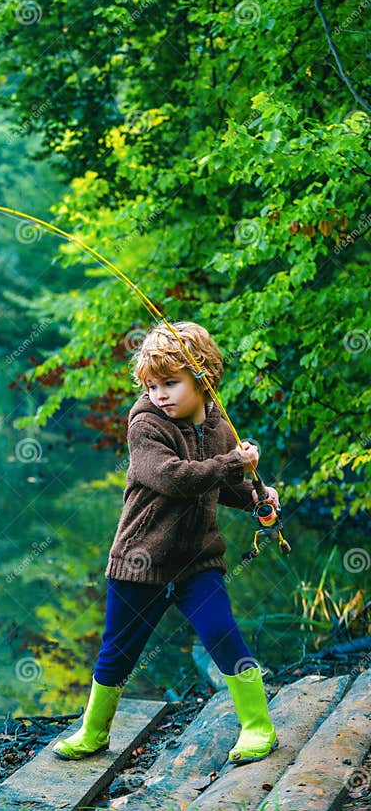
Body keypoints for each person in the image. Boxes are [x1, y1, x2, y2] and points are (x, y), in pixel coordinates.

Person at [53, 320, 279, 765]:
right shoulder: (145, 425)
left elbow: (219, 485)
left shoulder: (218, 426)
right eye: (152, 385)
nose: (159, 395)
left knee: (221, 631)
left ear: (203, 379)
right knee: (119, 649)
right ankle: (93, 731)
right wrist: (233, 464)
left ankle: (258, 727)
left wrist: (256, 498)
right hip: (141, 560)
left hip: (198, 560)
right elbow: (174, 478)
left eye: (170, 383)